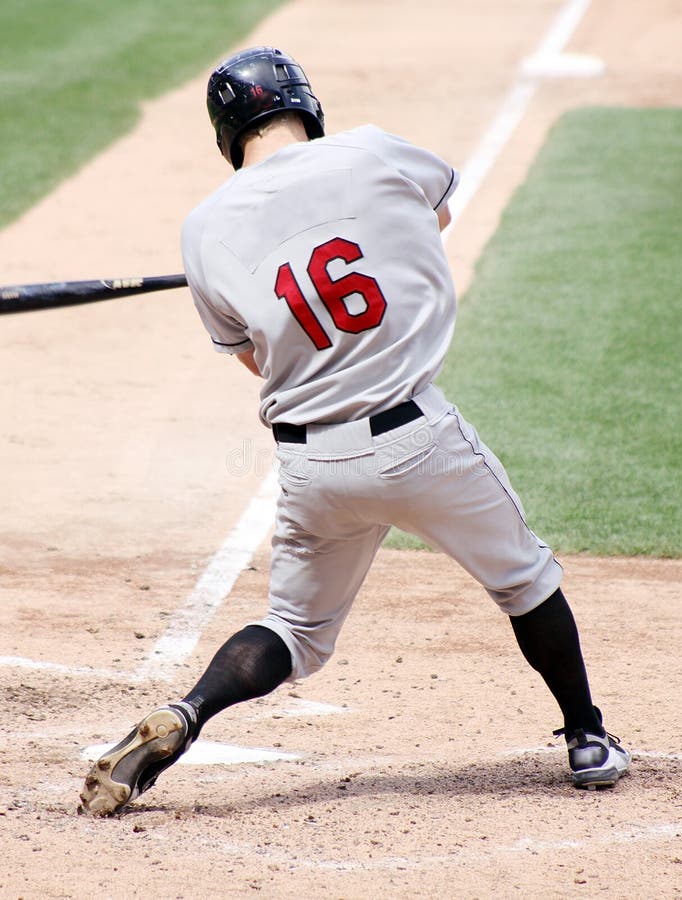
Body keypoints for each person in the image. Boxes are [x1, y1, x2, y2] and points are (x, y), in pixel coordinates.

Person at [80, 46, 630, 816]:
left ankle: (188, 713)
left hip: (313, 467)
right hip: (420, 443)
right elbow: (433, 217)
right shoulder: (371, 150)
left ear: (226, 134)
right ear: (304, 106)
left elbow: (250, 357)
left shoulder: (204, 231)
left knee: (292, 628)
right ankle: (587, 736)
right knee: (524, 581)